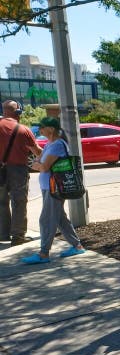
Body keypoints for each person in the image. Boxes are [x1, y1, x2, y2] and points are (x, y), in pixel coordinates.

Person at [22, 117, 86, 264]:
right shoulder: (51, 144)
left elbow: (42, 166)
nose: (40, 131)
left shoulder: (57, 145)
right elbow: (38, 163)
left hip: (54, 187)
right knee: (60, 219)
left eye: (42, 128)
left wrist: (39, 164)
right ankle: (77, 246)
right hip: (48, 187)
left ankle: (43, 254)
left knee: (46, 219)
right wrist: (39, 164)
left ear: (50, 129)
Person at [1, 100, 40, 246]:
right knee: (19, 202)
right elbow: (36, 152)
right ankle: (18, 236)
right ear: (18, 112)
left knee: (1, 202)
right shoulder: (23, 130)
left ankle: (3, 233)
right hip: (18, 169)